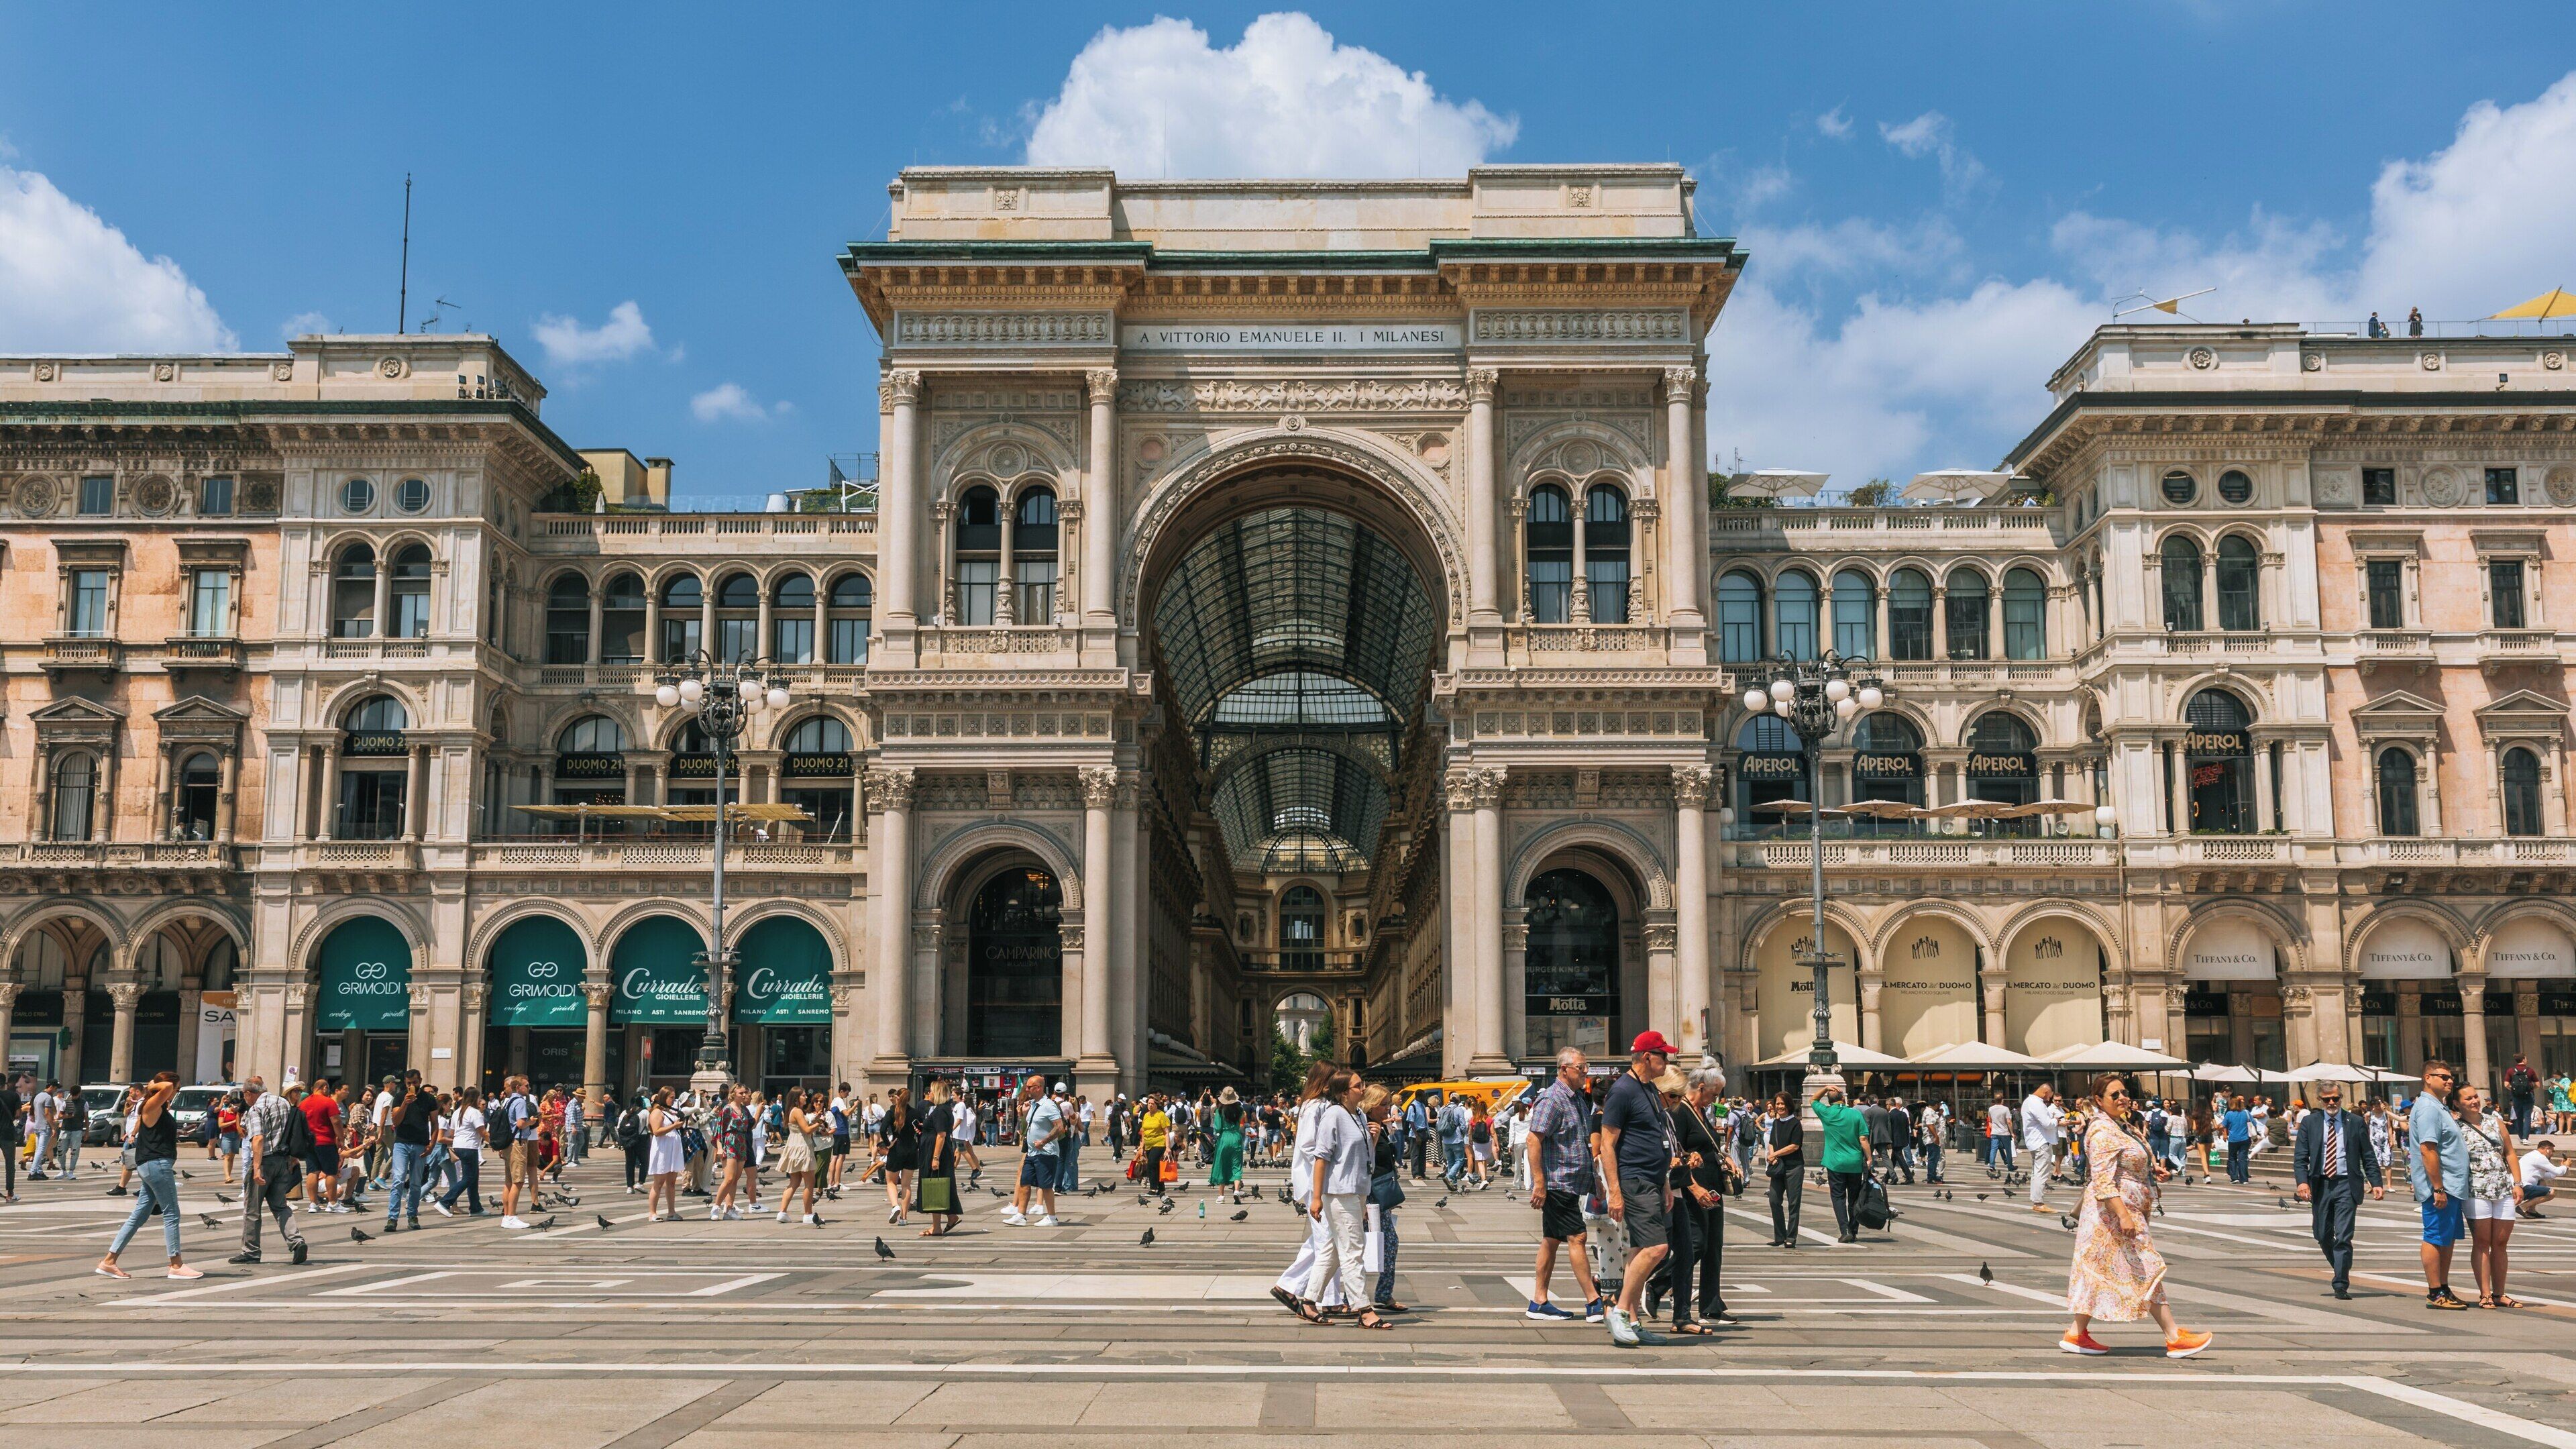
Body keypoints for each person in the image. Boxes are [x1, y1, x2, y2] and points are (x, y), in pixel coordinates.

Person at [2061, 1073, 2208, 1357]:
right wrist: (2124, 1216)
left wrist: (2153, 1171)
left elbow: (2130, 1162)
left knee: (2096, 1271)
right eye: (2113, 1095)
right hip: (2115, 1213)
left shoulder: (2122, 1125)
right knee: (2146, 1266)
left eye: (2123, 1093)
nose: (2121, 1098)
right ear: (2098, 1101)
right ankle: (2174, 1336)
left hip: (2125, 1210)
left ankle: (2076, 1334)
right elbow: (2103, 1180)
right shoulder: (2103, 1131)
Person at [1600, 1030, 1678, 1348]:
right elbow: (1607, 1144)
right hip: (1635, 1180)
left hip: (1652, 1180)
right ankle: (1618, 1311)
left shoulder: (1646, 1088)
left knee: (1638, 1251)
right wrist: (1615, 1192)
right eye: (1664, 1056)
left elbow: (1656, 1139)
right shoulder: (1623, 1091)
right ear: (1648, 1057)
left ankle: (1632, 1320)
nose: (1668, 1061)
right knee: (1657, 1249)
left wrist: (1666, 1183)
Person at [1295, 1069, 1390, 1330]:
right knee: (1353, 1251)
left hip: (1358, 1190)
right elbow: (1321, 1158)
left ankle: (1308, 1302)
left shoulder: (1358, 1115)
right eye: (1359, 1085)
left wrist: (1373, 1139)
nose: (1364, 1088)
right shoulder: (1333, 1116)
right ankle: (1364, 1309)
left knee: (1333, 1250)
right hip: (1339, 1193)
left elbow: (1362, 1157)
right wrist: (1316, 1197)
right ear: (1344, 1092)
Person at [1651, 1061, 1734, 1334]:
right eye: (1713, 1094)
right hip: (1694, 1189)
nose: (1715, 1100)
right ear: (1701, 1088)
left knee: (1713, 1246)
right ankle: (1659, 1283)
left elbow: (1703, 1147)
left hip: (1712, 1188)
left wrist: (1726, 1158)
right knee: (1696, 1245)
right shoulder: (1681, 1112)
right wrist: (1694, 1187)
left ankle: (1711, 1304)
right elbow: (1678, 1154)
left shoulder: (1700, 1111)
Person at [1523, 1047, 1604, 1322]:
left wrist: (1596, 1182)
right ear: (1564, 1070)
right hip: (1559, 1182)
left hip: (1571, 1181)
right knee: (1577, 1237)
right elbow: (1534, 1140)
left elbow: (1581, 1142)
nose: (1585, 1072)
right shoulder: (1553, 1099)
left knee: (1551, 1240)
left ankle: (1539, 1301)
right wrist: (1539, 1183)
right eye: (1581, 1067)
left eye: (1586, 1067)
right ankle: (1594, 1302)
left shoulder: (1578, 1099)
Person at [95, 1073, 197, 1281]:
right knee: (171, 1214)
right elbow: (167, 1086)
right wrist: (153, 1085)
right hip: (156, 1165)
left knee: (139, 1216)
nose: (175, 1092)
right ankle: (176, 1264)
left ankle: (109, 1261)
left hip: (152, 1165)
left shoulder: (154, 1107)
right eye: (176, 1089)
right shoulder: (151, 1106)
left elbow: (167, 1088)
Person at [2291, 1079, 2383, 1299]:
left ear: (2341, 1098)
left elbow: (2367, 1155)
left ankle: (2341, 1283)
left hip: (2346, 1184)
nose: (2332, 1102)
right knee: (2322, 1234)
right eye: (2327, 1099)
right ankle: (2341, 1266)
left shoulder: (2356, 1122)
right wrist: (2302, 1182)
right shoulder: (2310, 1123)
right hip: (2320, 1184)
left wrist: (2376, 1182)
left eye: (2336, 1098)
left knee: (2343, 1236)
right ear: (2320, 1101)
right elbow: (2301, 1156)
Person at [2408, 1061, 2471, 1310]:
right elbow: (2428, 1148)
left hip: (2452, 1186)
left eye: (2451, 1077)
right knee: (2435, 1237)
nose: (2450, 1081)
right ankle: (2435, 1291)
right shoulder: (2428, 1108)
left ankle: (2443, 1287)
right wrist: (2438, 1187)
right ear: (2427, 1077)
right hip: (2441, 1187)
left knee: (2446, 1238)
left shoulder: (2439, 1107)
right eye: (2443, 1076)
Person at [228, 1077, 309, 1266]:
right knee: (280, 1206)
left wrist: (256, 1169)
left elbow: (257, 1139)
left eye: (245, 1096)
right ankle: (297, 1242)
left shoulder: (256, 1108)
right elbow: (294, 1132)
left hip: (265, 1162)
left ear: (249, 1094)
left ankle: (251, 1251)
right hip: (283, 1162)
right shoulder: (283, 1103)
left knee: (252, 1210)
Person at [2457, 1085, 2524, 1308]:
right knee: (2482, 1243)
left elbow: (2510, 1152)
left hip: (2503, 1188)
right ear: (2457, 1104)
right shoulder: (2456, 1127)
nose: (2475, 1101)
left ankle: (2500, 1293)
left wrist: (2518, 1182)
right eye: (2468, 1098)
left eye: (2476, 1096)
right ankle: (2485, 1294)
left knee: (2501, 1242)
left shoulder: (2494, 1122)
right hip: (2476, 1190)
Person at [1360, 1083, 1408, 1314]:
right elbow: (1363, 1162)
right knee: (1375, 1245)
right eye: (1384, 1104)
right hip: (1368, 1196)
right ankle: (1355, 1297)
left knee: (1386, 1243)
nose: (1388, 1108)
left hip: (1378, 1195)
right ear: (1372, 1105)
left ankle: (1381, 1294)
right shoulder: (1368, 1128)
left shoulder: (1376, 1126)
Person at [1813, 1084, 1870, 1242]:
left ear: (1830, 1101)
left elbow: (1813, 1100)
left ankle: (1845, 1230)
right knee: (1854, 1198)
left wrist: (1825, 1088)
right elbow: (1863, 1139)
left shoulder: (1826, 1113)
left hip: (1835, 1163)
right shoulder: (1855, 1115)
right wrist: (1869, 1158)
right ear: (1843, 1099)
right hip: (1854, 1163)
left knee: (1838, 1197)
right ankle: (1854, 1229)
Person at [1006, 1077, 1063, 1226]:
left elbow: (1059, 1127)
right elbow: (1027, 1127)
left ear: (1038, 1088)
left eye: (1029, 1087)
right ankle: (1021, 1215)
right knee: (1025, 1182)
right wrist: (1023, 1114)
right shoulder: (1033, 1105)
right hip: (1032, 1152)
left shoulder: (1049, 1105)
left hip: (1046, 1152)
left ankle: (1052, 1217)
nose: (1027, 1089)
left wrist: (1043, 1141)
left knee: (1045, 1185)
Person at [912, 1078, 961, 1235]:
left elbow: (941, 1135)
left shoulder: (940, 1111)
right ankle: (950, 1217)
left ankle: (937, 1227)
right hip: (935, 1150)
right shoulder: (941, 1109)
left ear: (938, 1093)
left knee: (934, 1187)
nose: (929, 1094)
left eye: (932, 1091)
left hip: (936, 1152)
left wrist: (935, 1158)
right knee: (939, 1186)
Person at [439, 1087, 487, 1218]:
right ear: (475, 1098)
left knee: (473, 1176)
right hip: (469, 1147)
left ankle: (476, 1207)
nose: (480, 1100)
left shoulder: (457, 1112)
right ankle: (445, 1202)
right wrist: (494, 1142)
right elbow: (482, 1132)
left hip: (458, 1145)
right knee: (469, 1178)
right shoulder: (475, 1113)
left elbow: (453, 1132)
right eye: (479, 1098)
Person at [299, 1075, 342, 1212]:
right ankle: (333, 1203)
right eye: (327, 1088)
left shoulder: (304, 1104)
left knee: (312, 1172)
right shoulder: (329, 1102)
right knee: (331, 1172)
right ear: (324, 1088)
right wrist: (341, 1138)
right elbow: (336, 1121)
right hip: (326, 1141)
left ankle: (313, 1203)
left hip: (310, 1143)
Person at [645, 1087, 686, 1223]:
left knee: (672, 1183)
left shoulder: (669, 1111)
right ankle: (652, 1213)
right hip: (663, 1149)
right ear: (664, 1097)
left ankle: (672, 1212)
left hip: (673, 1148)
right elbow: (657, 1131)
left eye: (674, 1097)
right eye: (671, 1098)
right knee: (659, 1182)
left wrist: (677, 1126)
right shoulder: (657, 1112)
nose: (673, 1100)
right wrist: (674, 1126)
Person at [2022, 1083, 2063, 1209]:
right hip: (2041, 1142)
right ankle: (2039, 1202)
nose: (2049, 1099)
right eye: (2050, 1097)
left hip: (2034, 1142)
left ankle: (2036, 1200)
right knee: (2041, 1173)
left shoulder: (2028, 1101)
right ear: (2046, 1092)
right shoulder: (2037, 1103)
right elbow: (2047, 1123)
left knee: (2036, 1172)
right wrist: (2058, 1121)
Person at [1210, 1085, 1247, 1201]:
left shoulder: (1220, 1111)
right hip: (1236, 1137)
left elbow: (1218, 1128)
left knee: (1222, 1165)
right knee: (1237, 1165)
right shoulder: (1240, 1110)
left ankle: (1221, 1195)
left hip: (1224, 1138)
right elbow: (1242, 1120)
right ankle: (1236, 1190)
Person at [1138, 1093, 1172, 1195]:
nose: (1150, 1105)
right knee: (1156, 1166)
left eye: (1152, 1103)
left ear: (1157, 1104)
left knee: (1151, 1164)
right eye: (1149, 1103)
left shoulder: (1161, 1115)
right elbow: (1144, 1132)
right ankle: (1161, 1189)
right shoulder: (1146, 1116)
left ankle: (1153, 1188)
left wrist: (1168, 1147)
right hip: (1148, 1144)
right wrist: (1141, 1146)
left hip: (1159, 1143)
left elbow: (1166, 1132)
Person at [2520, 1138, 2564, 1217]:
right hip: (2523, 1187)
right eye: (2552, 1151)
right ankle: (2523, 1207)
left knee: (2542, 1182)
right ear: (2547, 1150)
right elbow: (2558, 1172)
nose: (2552, 1154)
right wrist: (2565, 1166)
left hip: (2521, 1185)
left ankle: (2531, 1210)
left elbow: (2545, 1175)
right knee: (2551, 1193)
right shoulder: (2540, 1157)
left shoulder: (2532, 1155)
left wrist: (2561, 1168)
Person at [2508, 1055, 2540, 1136]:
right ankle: (2525, 1138)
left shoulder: (2511, 1071)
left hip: (2516, 1097)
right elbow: (2538, 1084)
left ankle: (2521, 1136)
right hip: (2528, 1096)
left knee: (2519, 1117)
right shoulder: (2530, 1070)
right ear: (2524, 1060)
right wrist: (2530, 1089)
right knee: (2527, 1116)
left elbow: (2506, 1084)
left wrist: (2515, 1091)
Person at [1402, 1091, 1430, 1180]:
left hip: (1423, 1132)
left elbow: (1425, 1121)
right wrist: (1416, 1135)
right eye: (1423, 1096)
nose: (1425, 1098)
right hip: (1416, 1133)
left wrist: (1428, 1133)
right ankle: (1416, 1174)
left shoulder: (1422, 1105)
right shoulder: (1412, 1106)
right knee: (1415, 1155)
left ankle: (1422, 1173)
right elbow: (1411, 1121)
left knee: (1423, 1154)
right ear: (1418, 1096)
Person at [1984, 1091, 2014, 1174]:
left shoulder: (1991, 1109)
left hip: (1995, 1132)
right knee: (2008, 1149)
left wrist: (1993, 1128)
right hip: (2004, 1132)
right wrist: (2012, 1133)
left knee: (1993, 1149)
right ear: (2002, 1100)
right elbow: (2009, 1122)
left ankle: (1992, 1166)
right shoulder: (2005, 1109)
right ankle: (2010, 1165)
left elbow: (1990, 1121)